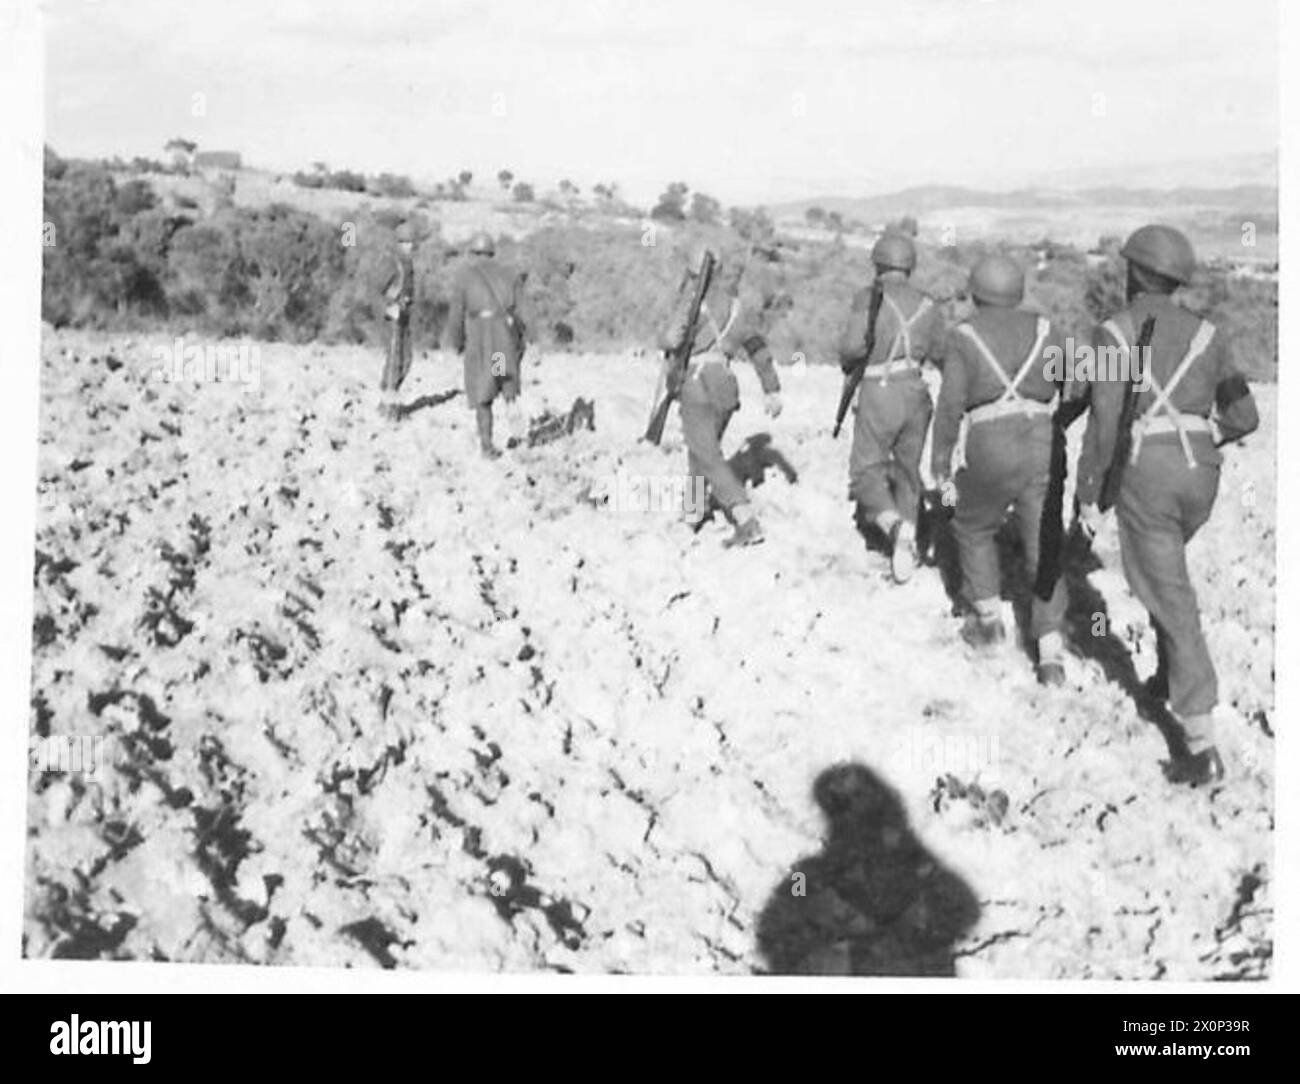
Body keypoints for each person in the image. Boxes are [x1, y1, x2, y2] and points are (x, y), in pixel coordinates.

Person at [1075, 225, 1259, 786]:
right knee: (1164, 573)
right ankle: (1164, 674)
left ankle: (1200, 743)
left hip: (1147, 475)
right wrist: (1199, 443)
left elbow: (1105, 427)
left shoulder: (1113, 335)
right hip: (1201, 473)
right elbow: (1244, 417)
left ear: (1132, 273)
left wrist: (1089, 495)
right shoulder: (1209, 334)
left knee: (1171, 592)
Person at [931, 254, 1070, 685]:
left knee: (972, 527)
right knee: (1044, 544)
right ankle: (1050, 654)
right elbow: (1081, 383)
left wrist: (940, 462)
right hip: (1042, 442)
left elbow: (951, 404)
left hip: (988, 443)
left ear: (975, 293)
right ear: (1019, 290)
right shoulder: (1050, 332)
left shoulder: (964, 337)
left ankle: (988, 622)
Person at [838, 231, 945, 582]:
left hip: (878, 390)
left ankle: (894, 526)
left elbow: (852, 349)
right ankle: (908, 541)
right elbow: (942, 355)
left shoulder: (868, 298)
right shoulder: (930, 305)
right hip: (916, 391)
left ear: (878, 264)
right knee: (908, 472)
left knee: (865, 471)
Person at [661, 247, 783, 548]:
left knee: (708, 455)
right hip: (725, 385)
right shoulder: (739, 308)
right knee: (700, 451)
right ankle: (693, 512)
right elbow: (758, 349)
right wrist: (771, 389)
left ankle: (745, 520)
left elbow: (669, 338)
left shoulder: (694, 302)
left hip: (697, 383)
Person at [446, 231, 526, 458]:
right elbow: (523, 312)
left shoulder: (464, 276)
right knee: (501, 376)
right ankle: (511, 406)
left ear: (473, 252)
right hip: (502, 338)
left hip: (480, 339)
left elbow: (456, 315)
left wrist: (457, 342)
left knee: (483, 392)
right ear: (492, 252)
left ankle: (487, 445)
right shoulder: (509, 274)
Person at [379, 222, 417, 419]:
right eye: (405, 242)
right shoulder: (392, 262)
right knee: (395, 359)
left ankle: (388, 399)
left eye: (411, 242)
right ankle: (389, 408)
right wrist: (389, 305)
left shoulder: (408, 264)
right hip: (394, 314)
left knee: (406, 359)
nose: (409, 246)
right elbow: (379, 287)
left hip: (405, 313)